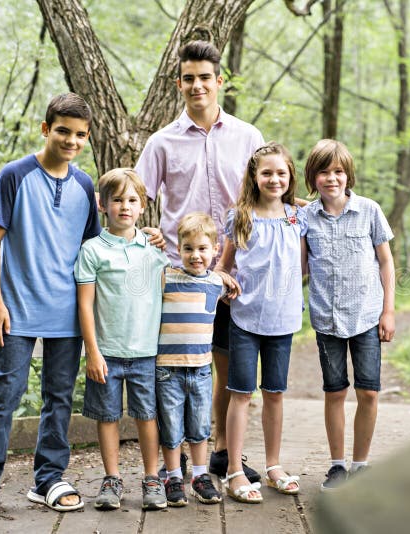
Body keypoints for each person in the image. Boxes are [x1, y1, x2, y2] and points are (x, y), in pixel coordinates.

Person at [0, 93, 101, 521]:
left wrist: (146, 238)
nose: (71, 140)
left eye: (80, 135)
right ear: (45, 128)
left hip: (67, 314)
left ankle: (49, 479)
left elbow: (94, 248)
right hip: (15, 310)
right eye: (63, 131)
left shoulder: (85, 185)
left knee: (58, 398)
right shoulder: (15, 175)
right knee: (4, 396)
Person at [134, 39, 264, 483]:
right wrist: (142, 234)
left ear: (219, 81)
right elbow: (135, 198)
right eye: (189, 78)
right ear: (179, 84)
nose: (197, 86)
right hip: (176, 275)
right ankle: (181, 461)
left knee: (227, 367)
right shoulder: (161, 142)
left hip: (231, 274)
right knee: (179, 370)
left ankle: (225, 454)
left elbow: (267, 195)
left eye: (205, 77)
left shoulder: (248, 137)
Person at [301, 139, 396, 491]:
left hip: (367, 316)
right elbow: (298, 266)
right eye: (323, 172)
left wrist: (389, 310)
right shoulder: (305, 217)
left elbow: (385, 261)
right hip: (327, 319)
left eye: (338, 171)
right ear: (313, 178)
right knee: (335, 392)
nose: (331, 178)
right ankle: (337, 465)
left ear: (348, 175)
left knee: (369, 392)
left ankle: (361, 464)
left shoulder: (369, 210)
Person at [74, 168, 171, 511]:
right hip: (108, 352)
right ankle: (112, 478)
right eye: (117, 200)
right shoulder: (92, 250)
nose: (125, 207)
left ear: (143, 206)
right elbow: (85, 305)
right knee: (108, 416)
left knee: (147, 415)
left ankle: (151, 478)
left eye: (132, 200)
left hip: (147, 351)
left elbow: (167, 290)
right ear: (102, 204)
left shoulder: (155, 248)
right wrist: (93, 353)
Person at [215, 142, 304, 503]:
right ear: (254, 176)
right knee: (241, 394)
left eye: (281, 172)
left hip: (283, 321)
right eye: (266, 172)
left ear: (290, 176)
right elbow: (222, 265)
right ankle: (234, 471)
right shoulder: (240, 216)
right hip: (245, 319)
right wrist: (222, 279)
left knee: (275, 394)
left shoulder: (298, 217)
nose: (274, 179)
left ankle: (273, 466)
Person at [156, 212, 239, 507]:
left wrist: (226, 276)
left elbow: (232, 286)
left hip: (202, 369)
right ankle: (173, 476)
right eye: (188, 249)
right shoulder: (167, 277)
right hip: (167, 368)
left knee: (200, 425)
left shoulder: (217, 283)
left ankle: (200, 476)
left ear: (215, 250)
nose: (195, 256)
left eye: (203, 249)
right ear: (178, 250)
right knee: (170, 426)